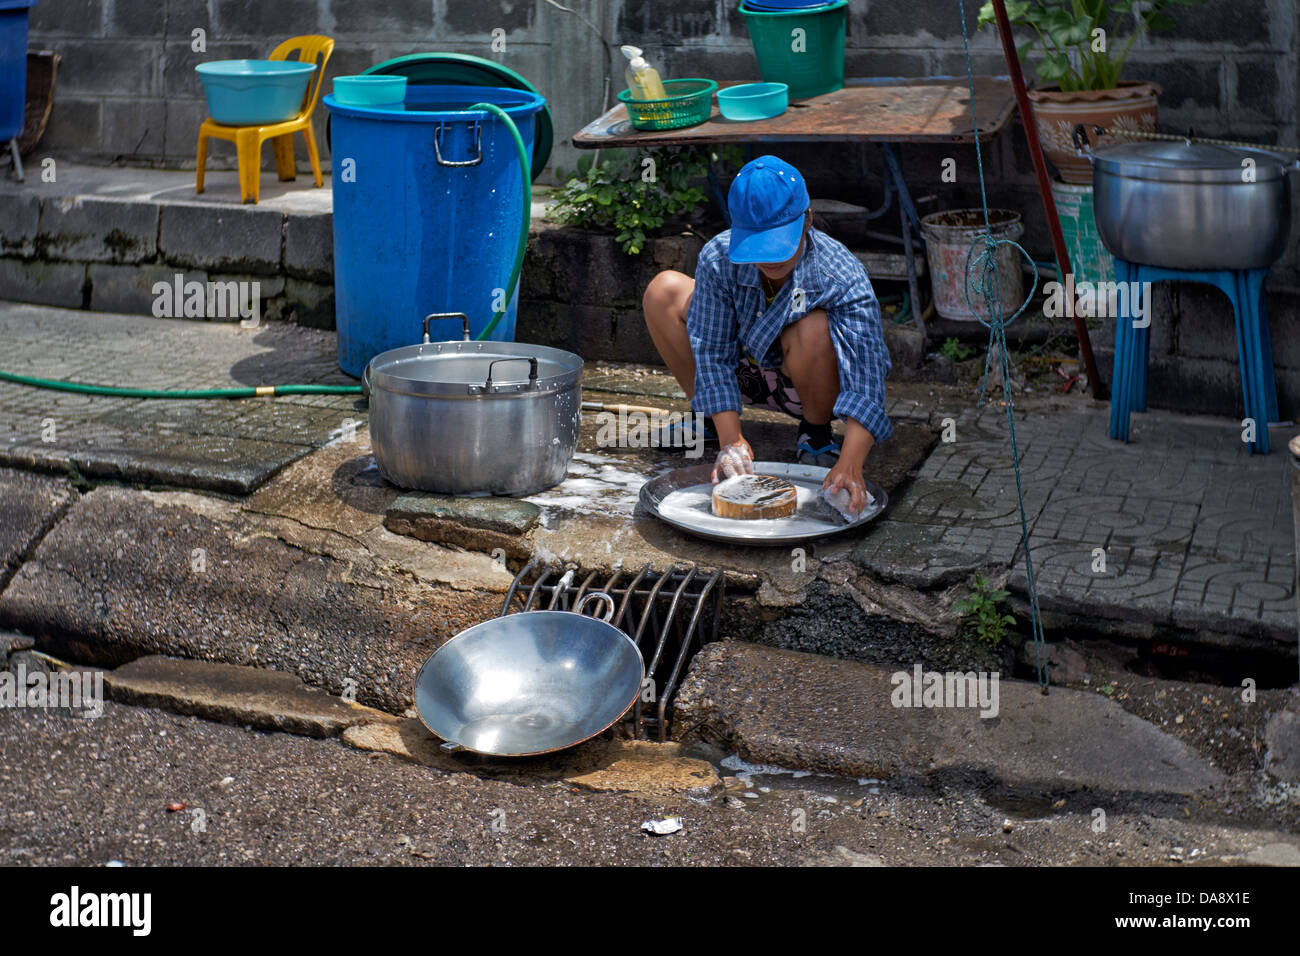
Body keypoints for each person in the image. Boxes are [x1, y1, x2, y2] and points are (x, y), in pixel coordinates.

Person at [642, 155, 891, 515]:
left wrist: (851, 463)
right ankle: (714, 422)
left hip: (806, 388)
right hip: (742, 377)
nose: (769, 259)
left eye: (778, 242)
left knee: (813, 327)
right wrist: (732, 441)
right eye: (757, 245)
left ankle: (816, 437)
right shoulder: (718, 257)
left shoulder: (839, 272)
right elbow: (710, 350)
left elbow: (867, 376)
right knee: (664, 290)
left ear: (806, 219)